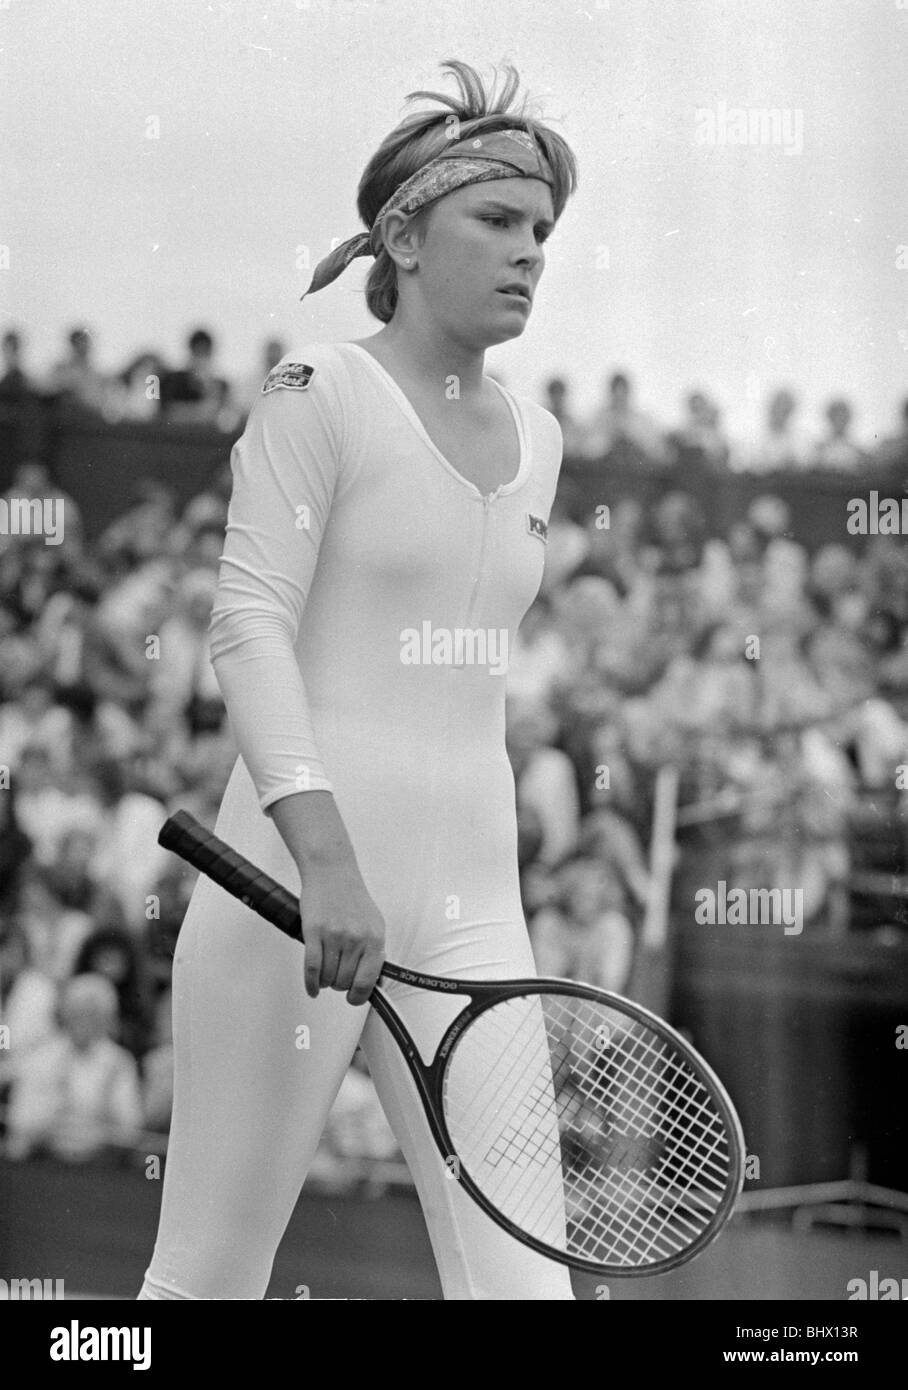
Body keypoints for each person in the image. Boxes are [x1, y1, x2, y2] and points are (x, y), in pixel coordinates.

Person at [139, 57, 579, 1302]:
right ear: (400, 231)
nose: (530, 252)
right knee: (207, 1279)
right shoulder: (317, 389)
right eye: (495, 221)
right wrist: (326, 862)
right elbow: (245, 627)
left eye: (540, 230)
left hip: (477, 909)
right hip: (291, 894)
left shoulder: (542, 438)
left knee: (526, 1294)